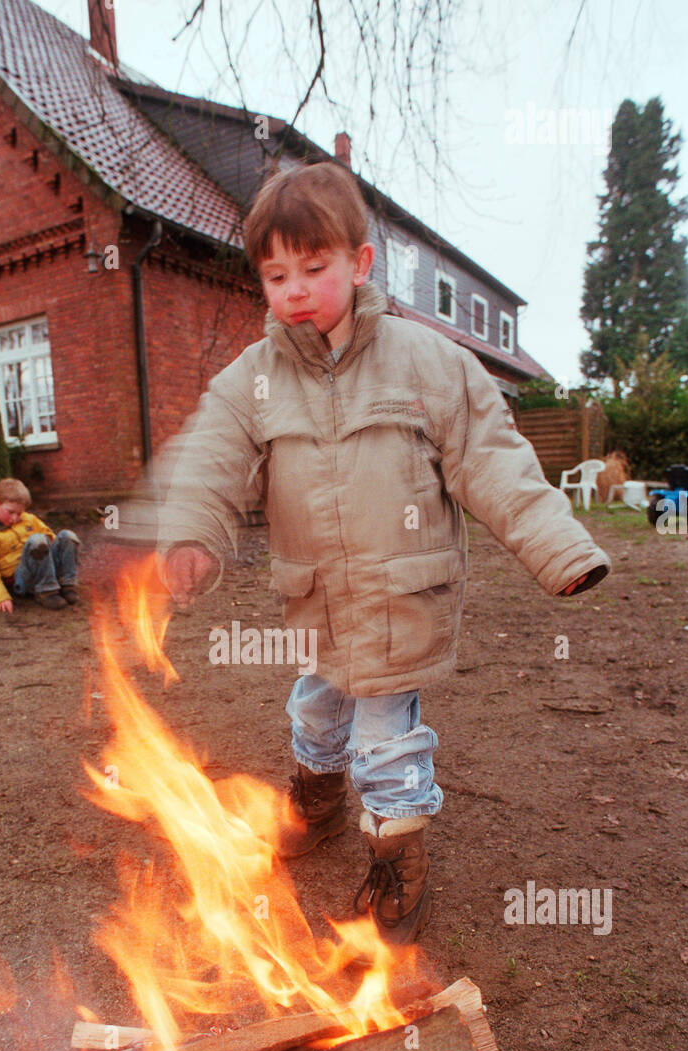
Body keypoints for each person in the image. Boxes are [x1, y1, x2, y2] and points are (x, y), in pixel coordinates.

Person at [156, 161, 610, 944]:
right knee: (315, 708)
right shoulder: (253, 380)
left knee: (386, 742)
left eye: (314, 267)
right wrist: (193, 534)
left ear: (361, 264)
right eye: (276, 274)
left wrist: (559, 548)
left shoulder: (426, 363)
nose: (295, 289)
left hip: (403, 600)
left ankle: (400, 856)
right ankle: (319, 797)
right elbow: (211, 458)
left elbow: (492, 457)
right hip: (317, 601)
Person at [0, 477, 81, 612]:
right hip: (22, 579)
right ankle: (46, 592)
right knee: (37, 541)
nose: (15, 518)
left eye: (19, 513)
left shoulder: (29, 519)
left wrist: (62, 553)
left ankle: (67, 585)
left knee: (67, 536)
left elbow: (51, 538)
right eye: (10, 512)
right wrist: (0, 597)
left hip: (45, 568)